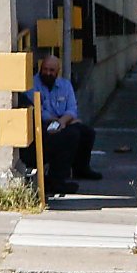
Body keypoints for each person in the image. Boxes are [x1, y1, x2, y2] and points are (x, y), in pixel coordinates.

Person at [31, 54, 100, 193]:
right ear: (40, 68)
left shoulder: (65, 85)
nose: (48, 73)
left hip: (63, 122)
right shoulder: (32, 84)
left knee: (87, 132)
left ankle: (81, 169)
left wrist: (63, 121)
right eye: (45, 69)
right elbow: (38, 111)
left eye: (52, 70)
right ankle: (57, 180)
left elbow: (72, 109)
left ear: (57, 71)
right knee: (71, 135)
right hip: (42, 125)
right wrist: (58, 121)